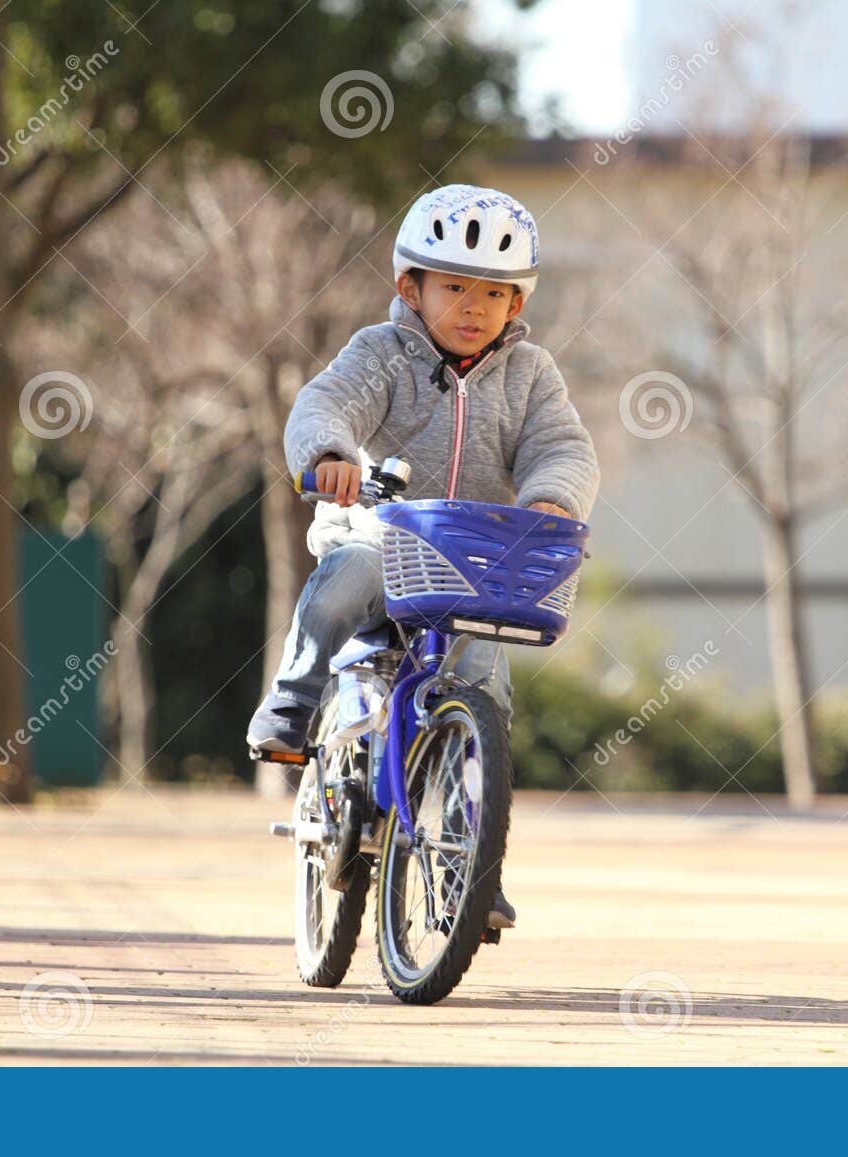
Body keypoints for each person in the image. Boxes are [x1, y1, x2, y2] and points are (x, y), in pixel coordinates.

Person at [246, 184, 600, 928]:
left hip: (473, 564)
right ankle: (293, 695)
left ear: (515, 304)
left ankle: (475, 865)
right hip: (381, 534)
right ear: (411, 287)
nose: (474, 306)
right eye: (454, 287)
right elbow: (326, 403)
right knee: (345, 582)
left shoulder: (530, 375)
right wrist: (331, 453)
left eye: (495, 293)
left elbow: (561, 445)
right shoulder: (382, 355)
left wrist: (552, 496)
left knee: (486, 698)